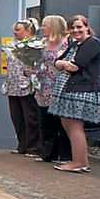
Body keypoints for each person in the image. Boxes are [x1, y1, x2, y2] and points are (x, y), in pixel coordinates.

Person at [48, 14, 100, 173]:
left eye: (79, 27)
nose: (75, 30)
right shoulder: (75, 45)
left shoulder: (92, 44)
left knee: (75, 127)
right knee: (68, 125)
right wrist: (62, 63)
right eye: (72, 27)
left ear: (87, 27)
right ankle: (80, 161)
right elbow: (58, 61)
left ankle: (79, 162)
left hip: (81, 89)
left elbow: (76, 65)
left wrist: (63, 64)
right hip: (70, 89)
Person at [34, 15, 73, 163]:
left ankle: (66, 155)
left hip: (60, 86)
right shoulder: (42, 44)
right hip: (44, 87)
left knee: (62, 122)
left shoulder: (68, 43)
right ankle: (48, 153)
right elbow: (36, 62)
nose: (42, 29)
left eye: (45, 26)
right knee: (45, 121)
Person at [3, 18, 42, 156]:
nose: (15, 32)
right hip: (13, 85)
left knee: (30, 117)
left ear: (28, 30)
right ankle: (22, 144)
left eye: (18, 29)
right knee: (17, 117)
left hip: (27, 85)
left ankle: (33, 146)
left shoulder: (36, 46)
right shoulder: (14, 46)